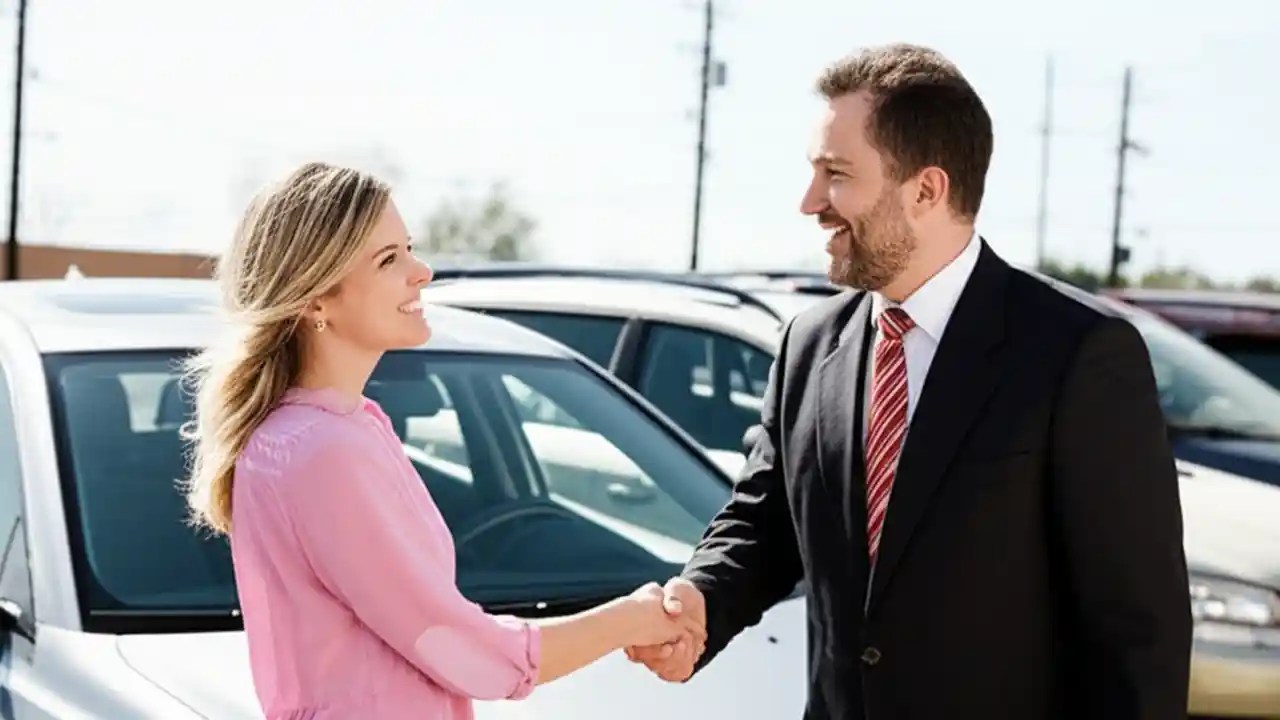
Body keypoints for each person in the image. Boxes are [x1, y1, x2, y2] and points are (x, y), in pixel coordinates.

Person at [626, 43, 1193, 719]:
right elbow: (766, 521)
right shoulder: (810, 344)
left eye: (836, 174)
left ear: (926, 189)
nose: (811, 202)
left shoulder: (1078, 355)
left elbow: (1137, 637)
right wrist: (703, 599)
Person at [180, 161, 703, 720]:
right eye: (388, 260)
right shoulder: (323, 449)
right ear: (315, 300)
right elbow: (465, 652)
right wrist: (633, 617)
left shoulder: (325, 429)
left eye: (409, 248)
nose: (421, 271)